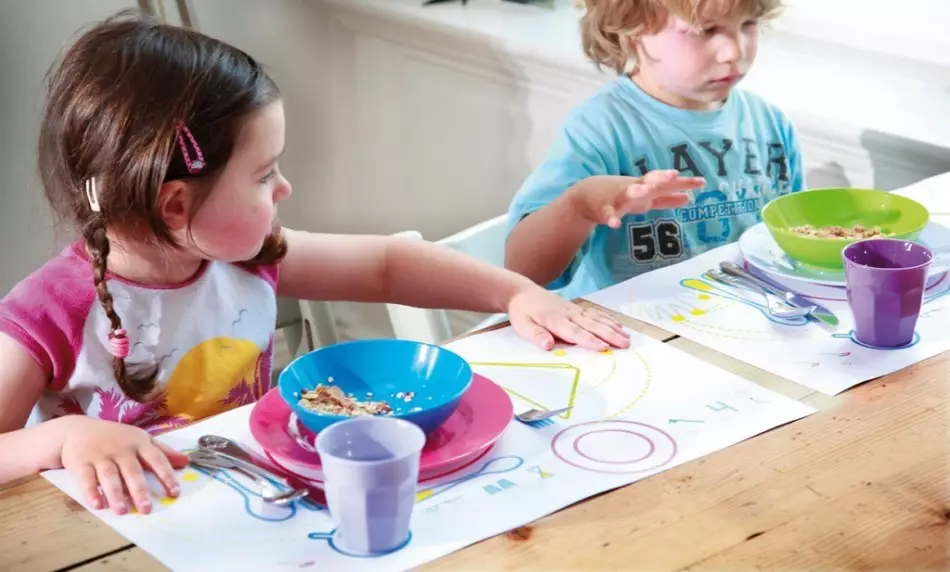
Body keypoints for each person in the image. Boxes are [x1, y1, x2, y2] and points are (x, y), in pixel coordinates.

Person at [0, 11, 629, 515]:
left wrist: (516, 294)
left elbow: (387, 265)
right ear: (174, 205)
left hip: (256, 501)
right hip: (131, 529)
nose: (284, 189)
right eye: (265, 173)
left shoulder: (248, 259)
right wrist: (63, 439)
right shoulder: (49, 311)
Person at [505, 0, 805, 301]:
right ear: (633, 29)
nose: (734, 52)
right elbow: (523, 273)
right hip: (630, 334)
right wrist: (577, 207)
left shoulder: (771, 124)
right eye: (704, 30)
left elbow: (792, 247)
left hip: (736, 324)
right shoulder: (601, 129)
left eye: (748, 25)